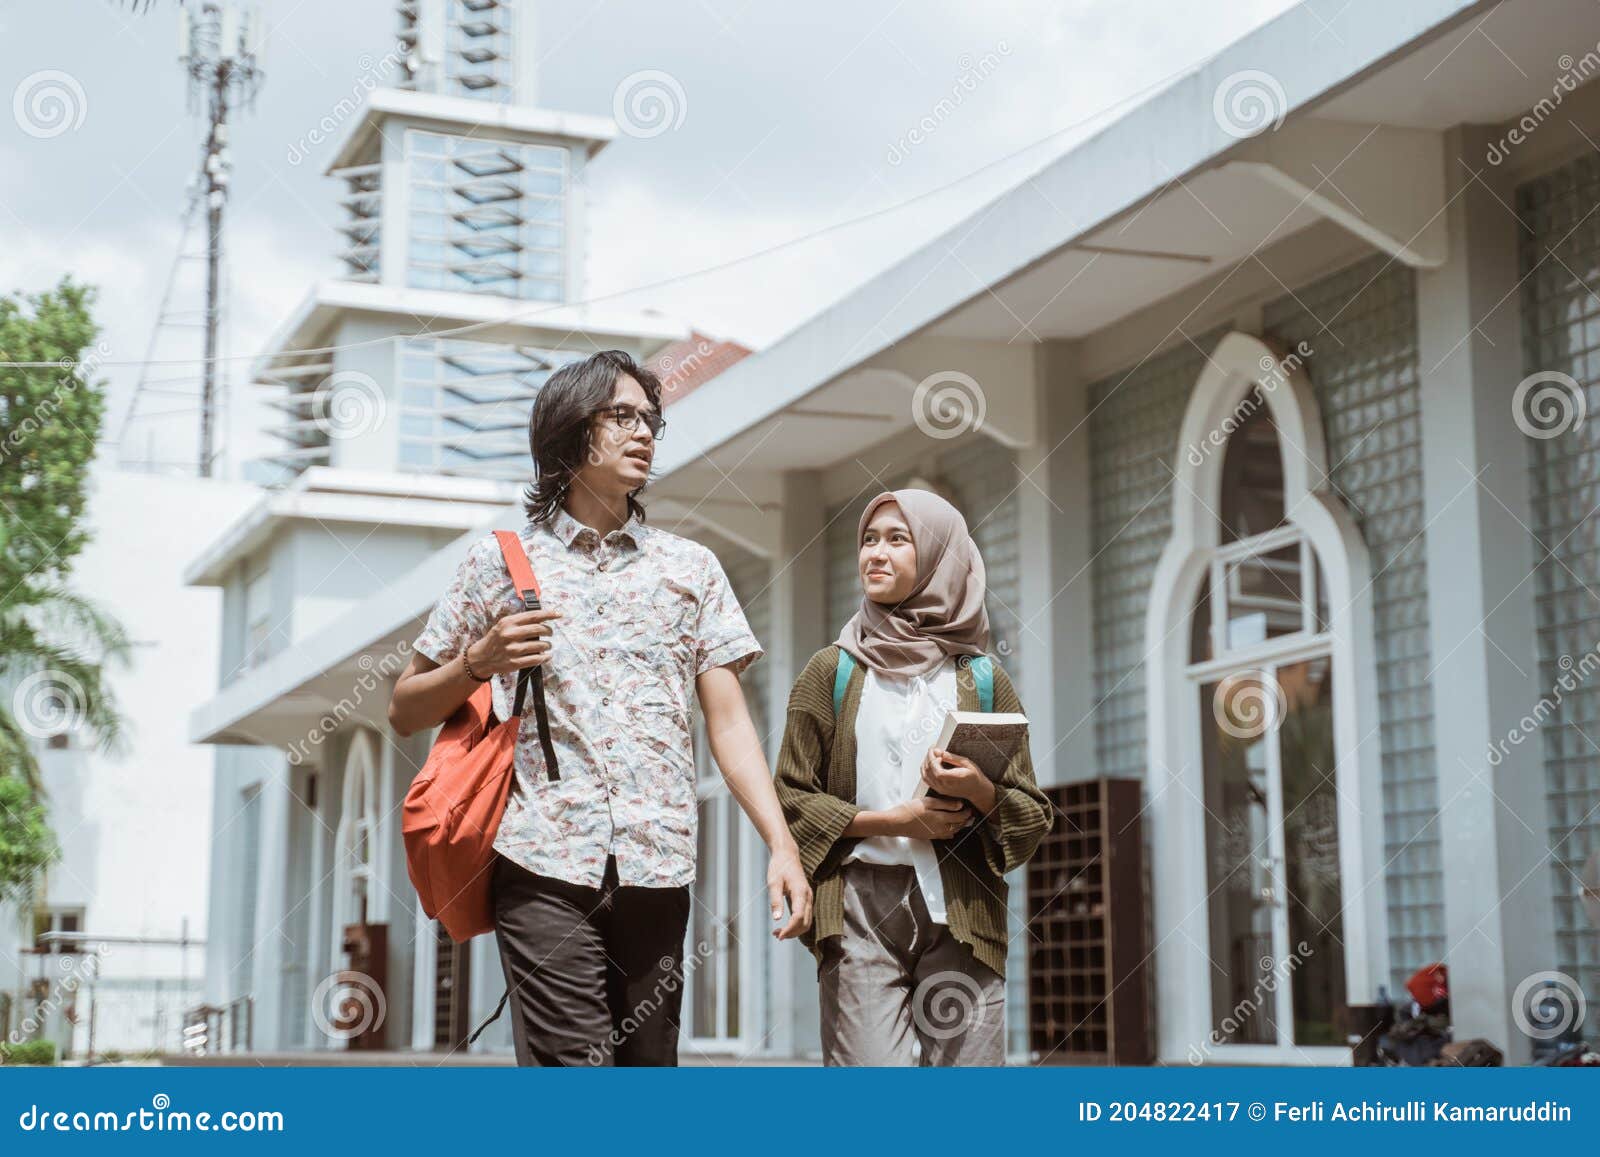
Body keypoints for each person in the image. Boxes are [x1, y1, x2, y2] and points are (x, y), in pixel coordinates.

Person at [389, 349, 811, 1066]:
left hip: (660, 865)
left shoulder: (690, 568)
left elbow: (730, 722)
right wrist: (478, 662)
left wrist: (781, 842)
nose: (643, 432)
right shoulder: (500, 562)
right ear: (570, 430)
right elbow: (405, 708)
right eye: (622, 416)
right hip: (541, 863)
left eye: (650, 420)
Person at [774, 488, 1052, 1065]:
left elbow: (1031, 816)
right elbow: (791, 796)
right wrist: (893, 821)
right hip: (860, 910)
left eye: (897, 540)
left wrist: (978, 791)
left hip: (964, 910)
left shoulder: (981, 678)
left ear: (938, 558)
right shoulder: (831, 672)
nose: (875, 553)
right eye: (869, 540)